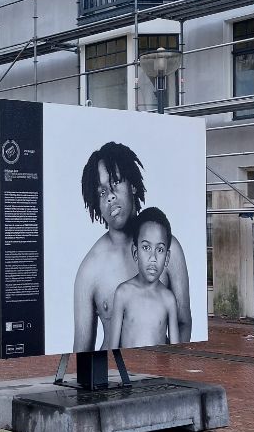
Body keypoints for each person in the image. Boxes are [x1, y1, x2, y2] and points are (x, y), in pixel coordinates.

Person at [73, 142, 191, 351]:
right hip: (112, 370)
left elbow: (183, 322)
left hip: (157, 368)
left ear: (133, 185)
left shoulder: (169, 248)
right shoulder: (89, 270)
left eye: (116, 182)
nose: (110, 196)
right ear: (97, 205)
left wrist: (171, 365)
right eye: (101, 192)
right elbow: (81, 355)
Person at [107, 208, 179, 348]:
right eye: (146, 247)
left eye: (160, 250)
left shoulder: (168, 299)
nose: (153, 258)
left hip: (157, 363)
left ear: (167, 257)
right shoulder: (123, 293)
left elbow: (176, 350)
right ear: (135, 252)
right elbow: (113, 348)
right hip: (127, 362)